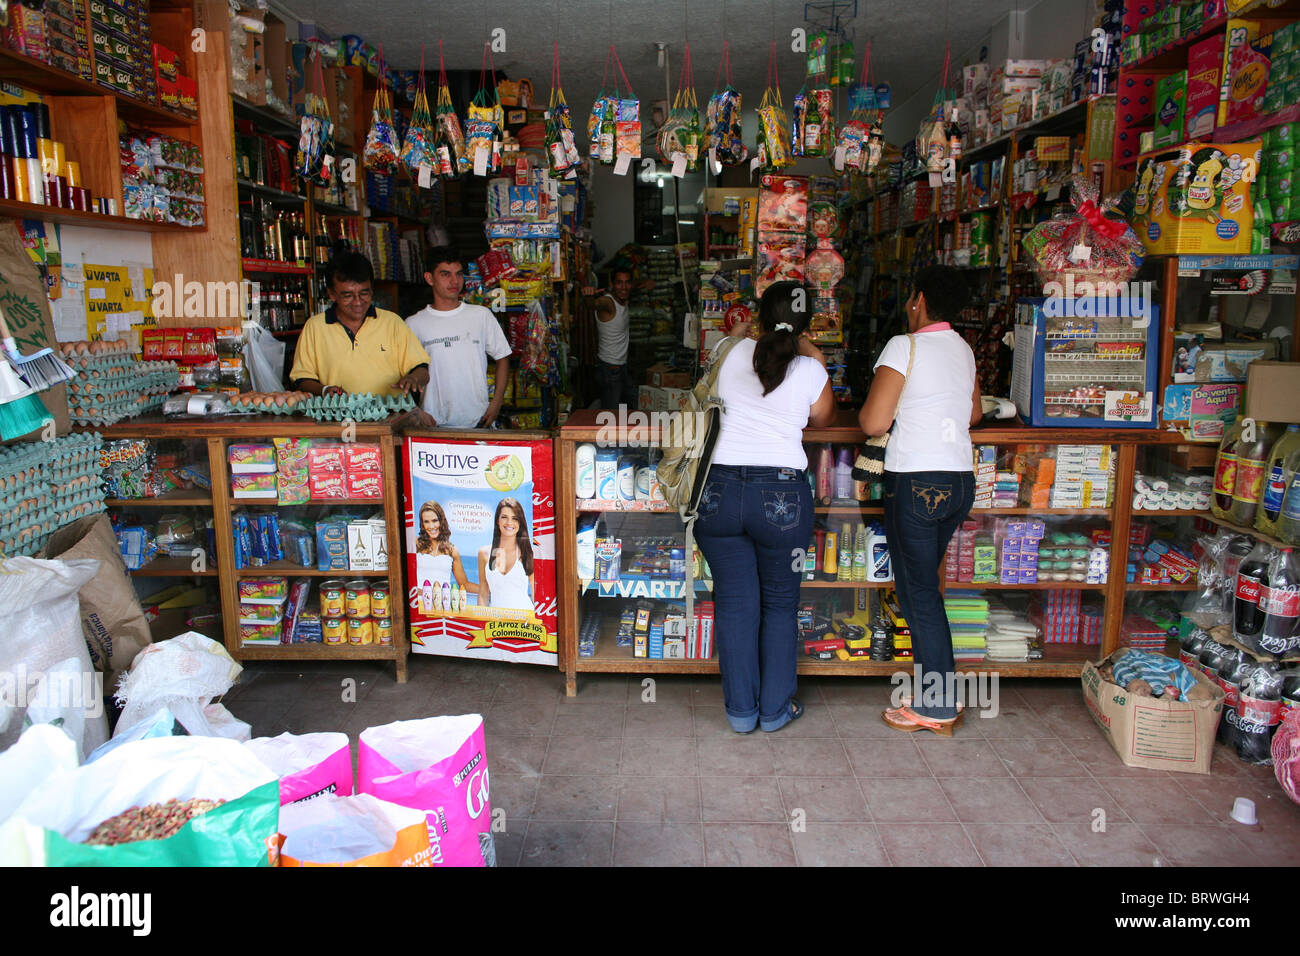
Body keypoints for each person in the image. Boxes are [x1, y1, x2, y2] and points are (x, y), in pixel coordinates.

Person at [693, 281, 836, 733]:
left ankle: (740, 712)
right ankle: (774, 711)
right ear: (806, 322)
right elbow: (824, 419)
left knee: (735, 603)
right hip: (781, 497)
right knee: (779, 604)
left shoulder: (731, 352)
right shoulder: (810, 368)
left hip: (719, 493)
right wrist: (809, 346)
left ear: (757, 315)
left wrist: (749, 334)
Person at [858, 264, 981, 736]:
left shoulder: (904, 345)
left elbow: (872, 421)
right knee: (916, 588)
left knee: (921, 593)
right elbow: (971, 412)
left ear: (920, 300)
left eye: (912, 297)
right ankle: (935, 690)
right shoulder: (963, 348)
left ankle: (938, 704)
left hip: (917, 484)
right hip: (958, 480)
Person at [290, 251, 430, 397]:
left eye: (364, 293)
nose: (358, 302)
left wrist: (413, 378)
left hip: (390, 416)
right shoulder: (315, 327)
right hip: (340, 417)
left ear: (372, 289)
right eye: (348, 295)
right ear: (331, 294)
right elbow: (301, 379)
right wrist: (324, 390)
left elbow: (422, 368)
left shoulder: (392, 322)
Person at [406, 247, 513, 428]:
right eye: (445, 274)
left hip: (479, 422)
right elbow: (402, 376)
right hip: (434, 425)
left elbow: (503, 357)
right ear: (429, 278)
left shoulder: (481, 315)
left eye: (459, 274)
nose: (454, 281)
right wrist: (415, 411)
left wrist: (496, 403)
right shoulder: (414, 323)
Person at [588, 268, 636, 409]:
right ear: (612, 284)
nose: (624, 287)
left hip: (621, 366)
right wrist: (588, 296)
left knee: (633, 402)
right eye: (619, 283)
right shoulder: (608, 303)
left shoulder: (623, 300)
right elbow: (594, 304)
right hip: (610, 369)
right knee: (611, 412)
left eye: (627, 283)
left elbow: (635, 285)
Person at [478, 498, 535, 611]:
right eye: (504, 517)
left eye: (515, 518)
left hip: (524, 622)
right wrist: (481, 624)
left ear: (520, 523)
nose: (509, 522)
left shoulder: (527, 554)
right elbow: (483, 594)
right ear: (497, 521)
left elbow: (536, 594)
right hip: (495, 623)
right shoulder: (485, 554)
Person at [415, 500, 476, 600]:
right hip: (418, 603)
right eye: (426, 522)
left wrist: (491, 589)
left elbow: (464, 585)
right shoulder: (415, 544)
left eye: (434, 520)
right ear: (422, 524)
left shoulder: (452, 550)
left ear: (441, 520)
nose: (431, 526)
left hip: (442, 606)